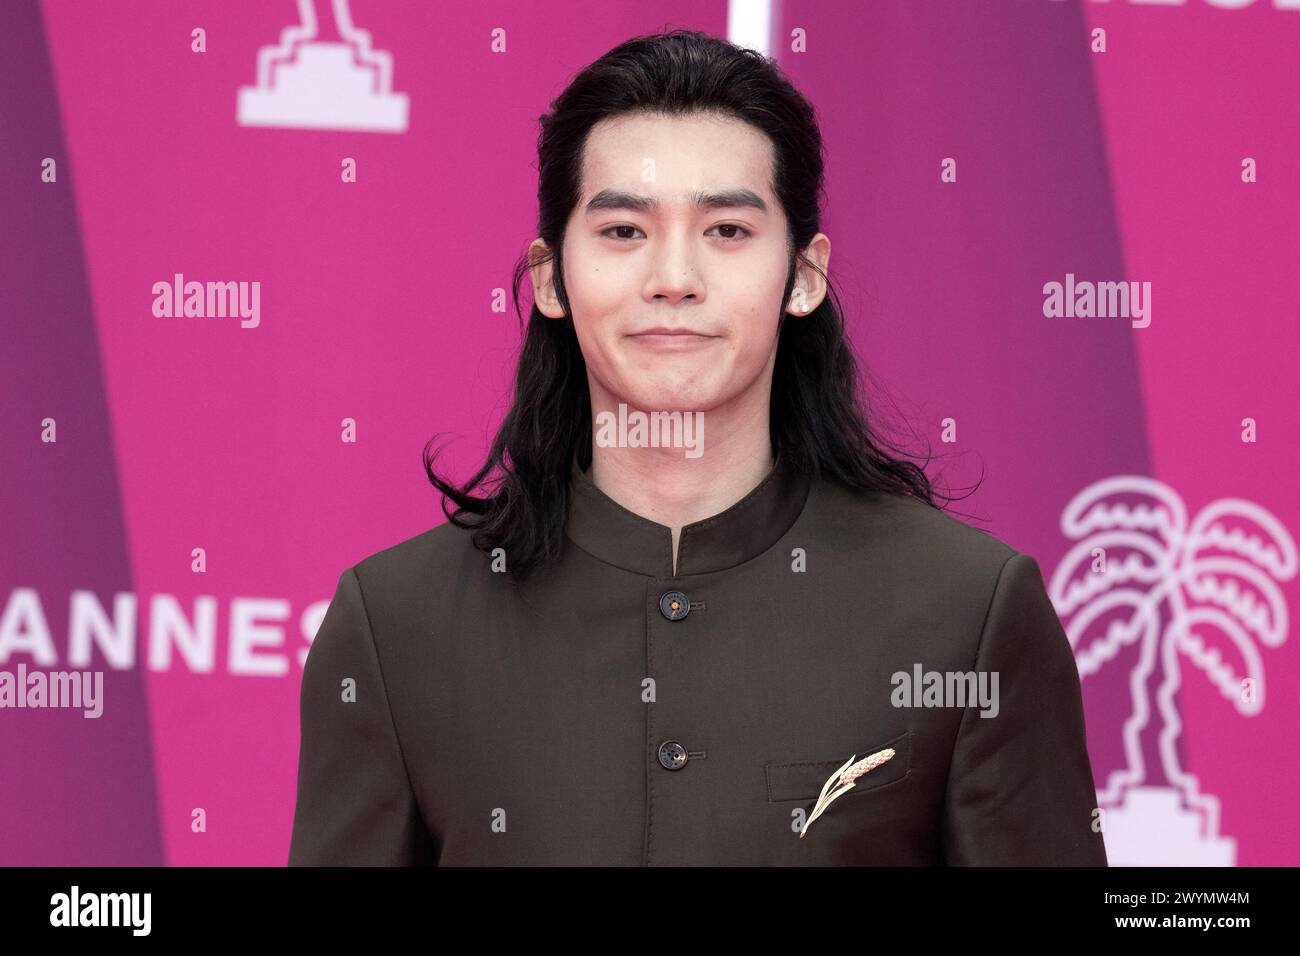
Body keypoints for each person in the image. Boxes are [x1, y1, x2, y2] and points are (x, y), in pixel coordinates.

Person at [287, 29, 1108, 866]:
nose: (674, 277)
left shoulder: (967, 610)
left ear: (803, 276)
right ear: (549, 278)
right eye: (622, 232)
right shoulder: (396, 625)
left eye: (725, 230)